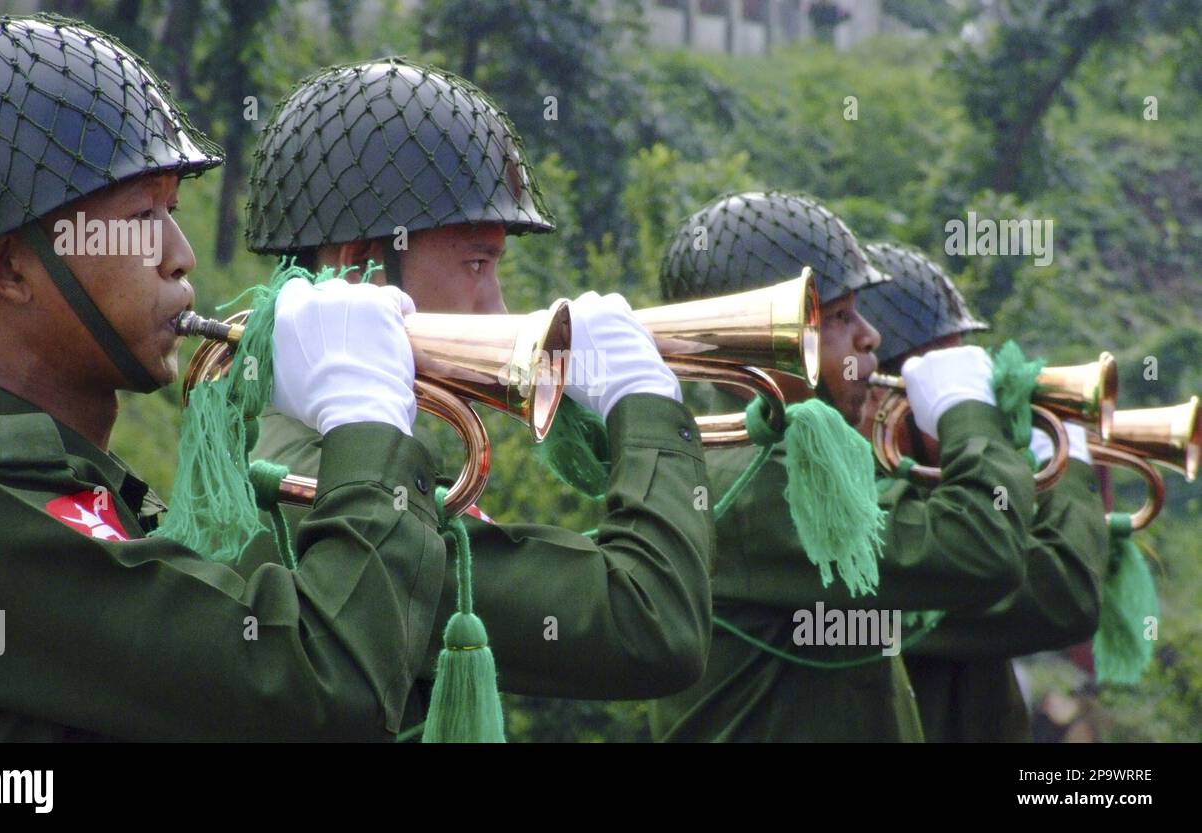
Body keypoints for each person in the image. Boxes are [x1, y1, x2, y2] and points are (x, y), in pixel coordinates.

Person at [0, 14, 452, 741]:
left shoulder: (76, 485)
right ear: (10, 268)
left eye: (175, 212)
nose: (182, 255)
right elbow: (324, 692)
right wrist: (368, 422)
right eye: (141, 218)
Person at [240, 58, 716, 705]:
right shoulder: (323, 486)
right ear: (360, 266)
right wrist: (646, 401)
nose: (495, 307)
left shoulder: (313, 451)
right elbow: (650, 626)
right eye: (475, 262)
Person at [649, 191, 1035, 741]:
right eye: (837, 317)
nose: (870, 336)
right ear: (763, 342)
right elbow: (982, 551)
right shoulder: (762, 482)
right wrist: (967, 416)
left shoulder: (756, 463)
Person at [857, 242, 1110, 742]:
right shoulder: (869, 521)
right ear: (876, 396)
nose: (972, 395)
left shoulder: (947, 500)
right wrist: (1071, 462)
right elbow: (1065, 596)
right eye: (941, 380)